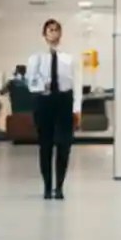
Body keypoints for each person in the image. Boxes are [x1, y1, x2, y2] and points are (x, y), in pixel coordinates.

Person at [26, 19, 81, 200]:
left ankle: (60, 186)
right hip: (44, 101)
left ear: (60, 34)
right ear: (45, 34)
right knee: (46, 146)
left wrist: (77, 108)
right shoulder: (35, 58)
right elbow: (30, 82)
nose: (54, 33)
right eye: (50, 30)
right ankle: (47, 187)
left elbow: (76, 83)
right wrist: (42, 85)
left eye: (57, 30)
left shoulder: (68, 58)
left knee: (64, 145)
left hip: (64, 101)